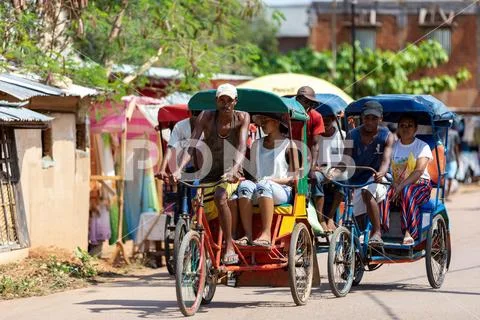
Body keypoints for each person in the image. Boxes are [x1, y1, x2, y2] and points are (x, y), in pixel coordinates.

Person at [172, 83, 250, 265]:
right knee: (197, 204)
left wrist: (233, 169)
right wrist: (179, 168)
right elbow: (192, 144)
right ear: (216, 101)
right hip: (209, 170)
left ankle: (229, 244)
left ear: (235, 101)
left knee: (220, 196)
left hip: (231, 171)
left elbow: (241, 146)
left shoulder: (242, 117)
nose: (225, 104)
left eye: (229, 100)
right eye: (221, 100)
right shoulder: (206, 116)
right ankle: (202, 246)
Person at [331, 101, 394, 246]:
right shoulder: (352, 135)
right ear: (362, 118)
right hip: (356, 181)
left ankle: (377, 233)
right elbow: (345, 160)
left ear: (381, 119)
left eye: (374, 118)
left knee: (367, 192)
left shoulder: (387, 136)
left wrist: (381, 173)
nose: (370, 122)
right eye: (367, 118)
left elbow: (386, 160)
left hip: (377, 179)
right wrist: (333, 173)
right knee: (354, 215)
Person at [233, 113, 293, 247]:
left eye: (266, 120)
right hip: (260, 188)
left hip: (282, 191)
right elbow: (254, 175)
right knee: (245, 186)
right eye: (261, 121)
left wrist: (270, 181)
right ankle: (247, 235)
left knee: (264, 184)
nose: (262, 124)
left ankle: (266, 234)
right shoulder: (256, 144)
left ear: (277, 123)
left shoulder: (289, 145)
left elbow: (293, 178)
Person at [383, 115, 433, 245]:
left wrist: (400, 186)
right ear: (398, 128)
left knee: (406, 191)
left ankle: (409, 232)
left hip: (420, 185)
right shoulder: (393, 146)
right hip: (396, 184)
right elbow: (387, 169)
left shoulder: (422, 146)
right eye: (403, 126)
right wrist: (394, 185)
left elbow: (419, 171)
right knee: (381, 193)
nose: (406, 128)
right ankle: (381, 230)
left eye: (410, 125)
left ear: (416, 128)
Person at [312, 113, 345, 233]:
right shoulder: (316, 136)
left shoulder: (343, 135)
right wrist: (315, 167)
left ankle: (330, 217)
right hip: (320, 171)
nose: (325, 123)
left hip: (337, 171)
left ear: (333, 120)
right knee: (315, 177)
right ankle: (320, 219)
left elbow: (345, 160)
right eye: (322, 120)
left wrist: (333, 173)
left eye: (327, 120)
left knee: (343, 178)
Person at [293, 86, 325, 176]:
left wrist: (313, 167)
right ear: (297, 99)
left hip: (307, 159)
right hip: (288, 157)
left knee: (316, 177)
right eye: (306, 102)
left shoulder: (316, 117)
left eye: (312, 103)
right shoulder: (286, 114)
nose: (308, 105)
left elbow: (315, 145)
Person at [445, 127, 461, 201]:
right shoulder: (454, 133)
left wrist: (457, 159)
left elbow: (456, 147)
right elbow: (456, 147)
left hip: (448, 158)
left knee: (448, 177)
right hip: (448, 158)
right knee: (448, 177)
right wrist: (458, 160)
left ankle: (446, 194)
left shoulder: (441, 132)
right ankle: (446, 194)